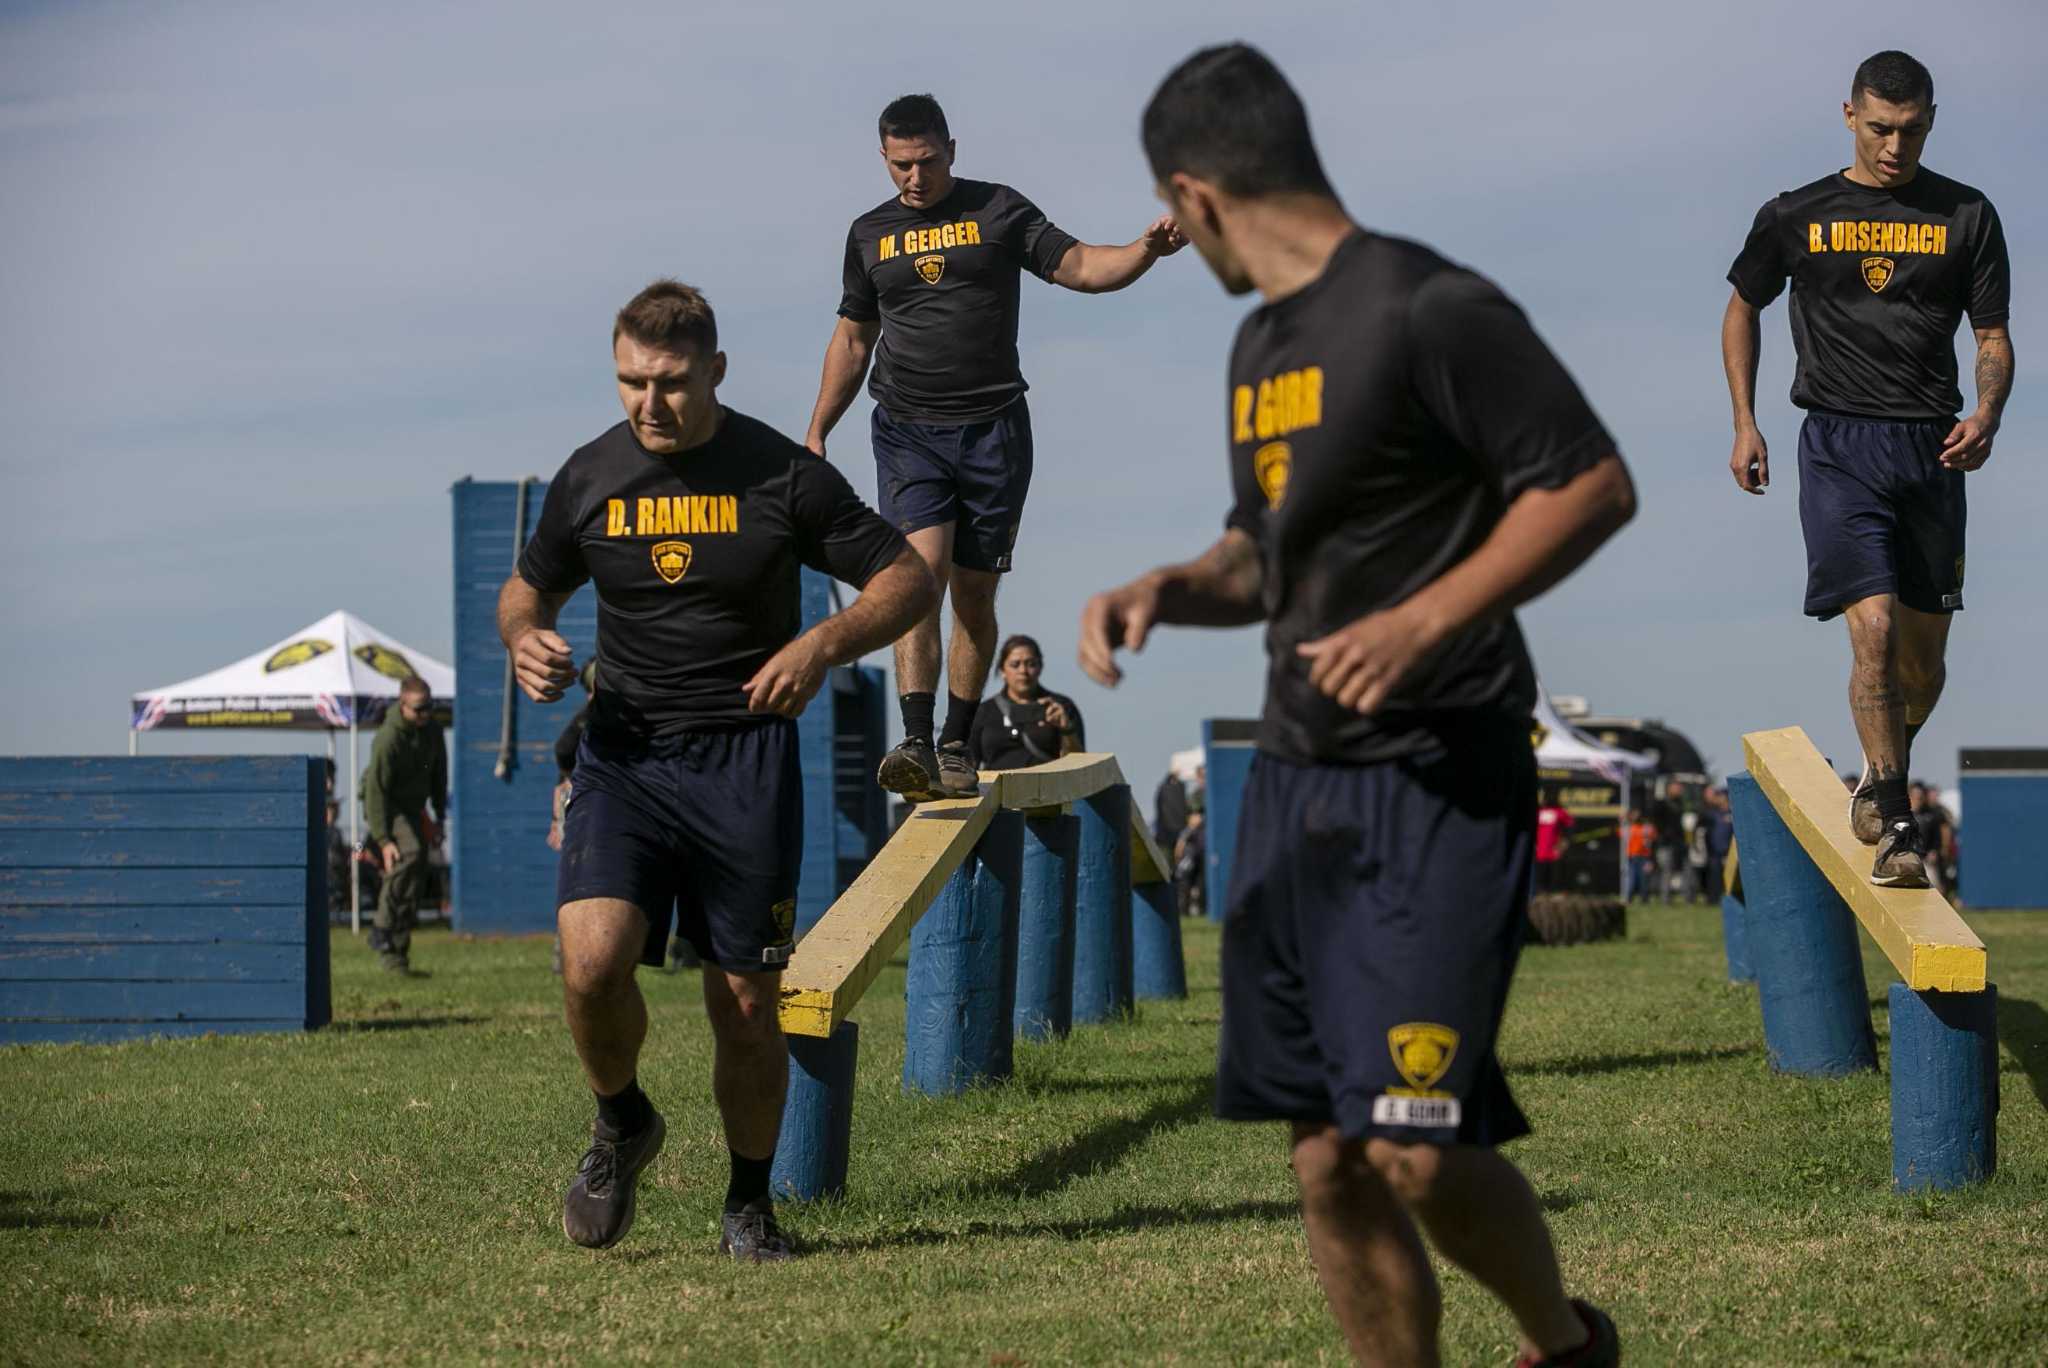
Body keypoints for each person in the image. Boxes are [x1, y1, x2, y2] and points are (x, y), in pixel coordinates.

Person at [1079, 45, 1632, 1367]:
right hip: (1295, 788)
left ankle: (1564, 1345)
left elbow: (1590, 482)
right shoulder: (1258, 342)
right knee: (1327, 1156)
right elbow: (1265, 554)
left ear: (1194, 193)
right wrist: (1168, 584)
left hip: (1438, 779)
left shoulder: (1426, 306)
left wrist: (1427, 615)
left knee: (1415, 1150)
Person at [498, 280, 934, 1259]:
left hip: (743, 767)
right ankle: (621, 1121)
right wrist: (525, 637)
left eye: (670, 384)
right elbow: (525, 590)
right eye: (630, 383)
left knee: (744, 1005)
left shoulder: (781, 474)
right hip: (625, 756)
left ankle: (747, 1203)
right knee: (589, 964)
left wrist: (822, 644)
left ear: (716, 371)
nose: (649, 404)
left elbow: (908, 576)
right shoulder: (590, 476)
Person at [804, 92, 1187, 803]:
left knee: (974, 594)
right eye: (898, 166)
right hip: (907, 427)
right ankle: (916, 739)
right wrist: (818, 428)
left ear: (951, 148)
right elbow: (854, 339)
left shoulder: (998, 211)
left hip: (993, 431)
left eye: (923, 162)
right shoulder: (869, 234)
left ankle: (956, 740)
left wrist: (1145, 252)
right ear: (883, 159)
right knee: (919, 573)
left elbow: (1079, 267)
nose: (912, 179)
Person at [1722, 50, 2013, 889]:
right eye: (1882, 128)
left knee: (1921, 665)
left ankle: (1875, 764)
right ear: (1849, 114)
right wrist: (1745, 421)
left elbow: (1991, 338)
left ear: (1930, 123)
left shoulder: (1968, 214)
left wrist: (1987, 414)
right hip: (1839, 445)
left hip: (1931, 451)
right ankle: (1895, 819)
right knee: (1873, 632)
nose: (1895, 147)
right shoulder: (1797, 213)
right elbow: (1743, 304)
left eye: (1912, 131)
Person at [361, 676, 446, 974]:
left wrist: (439, 818)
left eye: (429, 707)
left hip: (414, 808)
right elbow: (375, 792)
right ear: (403, 705)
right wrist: (384, 840)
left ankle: (396, 955)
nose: (425, 714)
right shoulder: (388, 738)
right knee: (407, 853)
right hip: (386, 806)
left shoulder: (433, 732)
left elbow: (439, 775)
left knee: (417, 871)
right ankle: (381, 926)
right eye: (419, 709)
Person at [969, 633, 1085, 770]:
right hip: (997, 788)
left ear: (1040, 667)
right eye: (1015, 664)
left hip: (1047, 787)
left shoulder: (1061, 707)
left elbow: (1078, 764)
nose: (1023, 671)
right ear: (1002, 670)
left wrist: (1067, 729)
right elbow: (970, 762)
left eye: (1031, 664)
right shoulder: (984, 711)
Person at [1648, 780, 1687, 905]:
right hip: (1664, 844)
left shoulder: (1679, 804)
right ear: (1669, 788)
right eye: (1677, 787)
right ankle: (1665, 899)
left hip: (1675, 843)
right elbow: (1656, 823)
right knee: (1666, 870)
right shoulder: (1661, 804)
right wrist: (1665, 834)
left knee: (1670, 871)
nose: (1679, 790)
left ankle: (1667, 897)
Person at [1702, 787, 1736, 903]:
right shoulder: (1712, 813)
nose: (1718, 799)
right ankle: (1712, 899)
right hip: (1714, 851)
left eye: (1720, 796)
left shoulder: (1732, 813)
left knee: (1730, 876)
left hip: (1729, 851)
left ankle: (1731, 899)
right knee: (1714, 876)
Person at [1534, 803, 1574, 895]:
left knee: (1555, 877)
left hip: (1554, 853)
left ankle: (1556, 893)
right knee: (1540, 880)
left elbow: (1570, 825)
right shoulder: (1538, 811)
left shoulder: (1559, 812)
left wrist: (1565, 841)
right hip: (1539, 853)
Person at [1624, 807, 1654, 903]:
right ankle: (1629, 898)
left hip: (1644, 857)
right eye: (1634, 814)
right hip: (1631, 857)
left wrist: (1650, 859)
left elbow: (1651, 841)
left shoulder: (1647, 827)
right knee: (1631, 879)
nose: (1636, 816)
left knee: (1644, 879)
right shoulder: (1628, 827)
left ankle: (1644, 899)